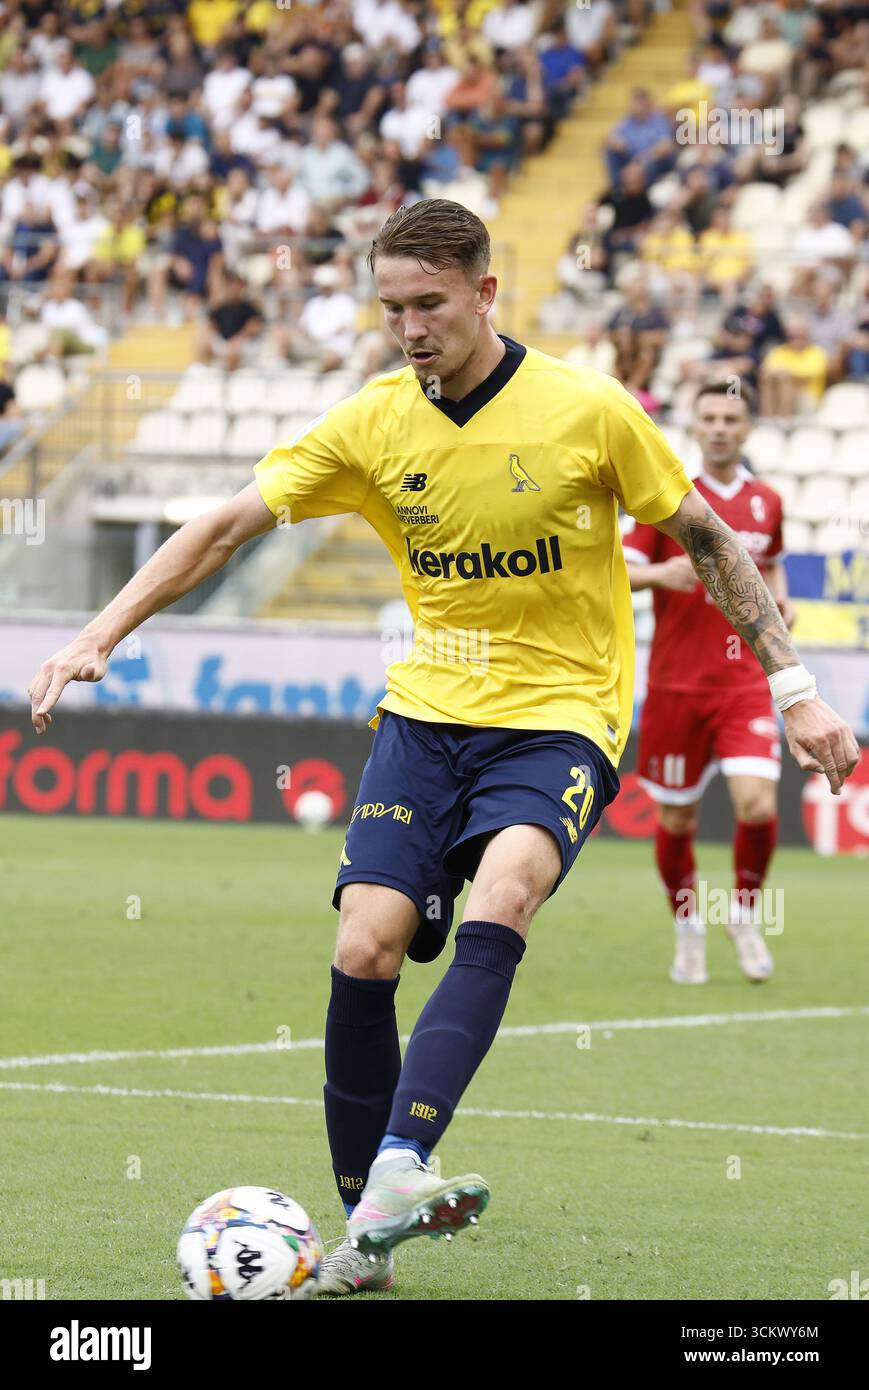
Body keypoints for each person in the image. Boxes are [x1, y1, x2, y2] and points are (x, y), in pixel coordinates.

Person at [28, 200, 860, 1297]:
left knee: (502, 891)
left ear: (483, 294)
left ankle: (398, 1170)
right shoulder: (370, 421)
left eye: (429, 305)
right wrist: (97, 633)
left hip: (562, 711)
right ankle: (362, 1235)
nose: (410, 328)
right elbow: (223, 527)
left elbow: (706, 537)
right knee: (365, 946)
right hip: (426, 714)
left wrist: (794, 690)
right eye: (390, 309)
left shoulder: (586, 409)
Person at [623, 381, 796, 987]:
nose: (720, 427)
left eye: (731, 418)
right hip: (676, 685)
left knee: (757, 804)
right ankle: (689, 927)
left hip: (743, 682)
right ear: (694, 427)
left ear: (747, 429)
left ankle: (743, 915)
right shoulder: (667, 496)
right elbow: (619, 566)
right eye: (710, 418)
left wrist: (781, 604)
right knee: (676, 821)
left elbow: (770, 564)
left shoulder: (767, 501)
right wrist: (659, 574)